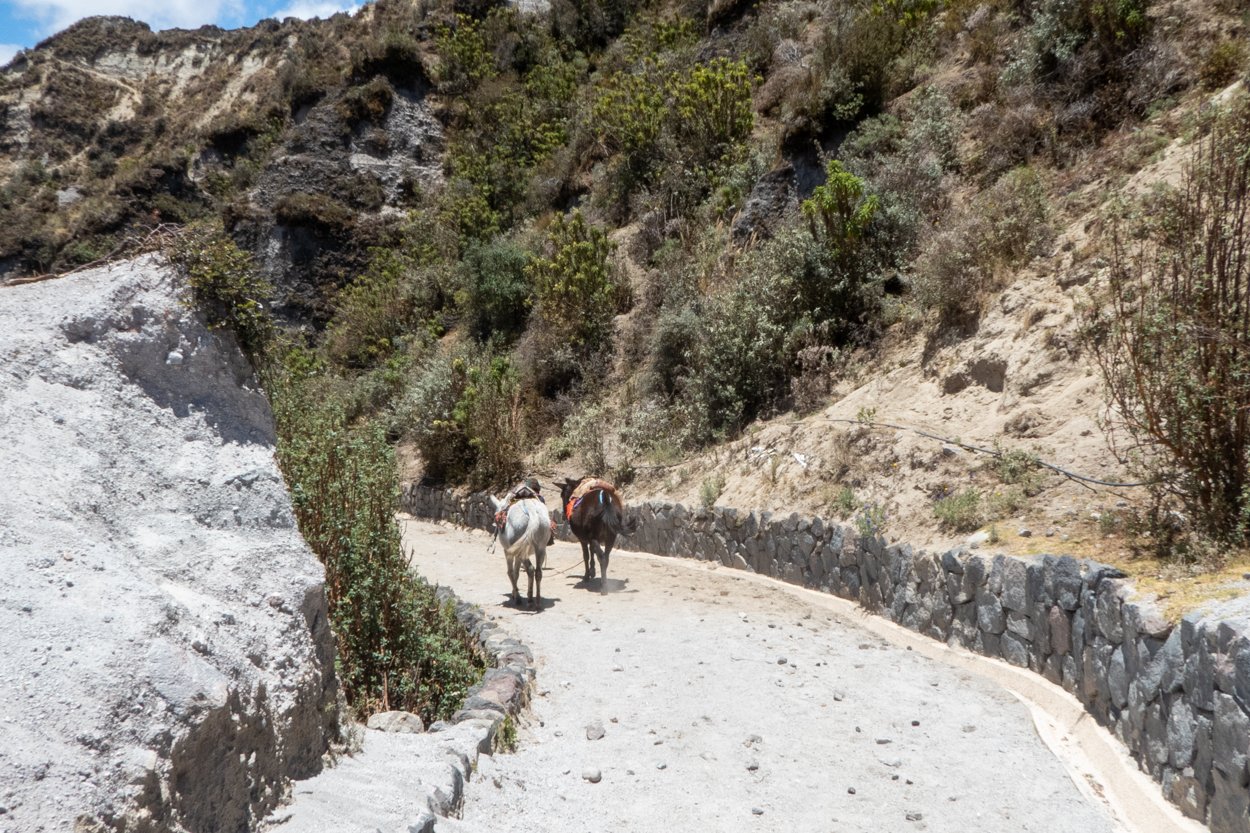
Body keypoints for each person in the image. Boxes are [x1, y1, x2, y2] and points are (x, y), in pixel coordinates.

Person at [498, 477, 556, 545]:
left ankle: (503, 530)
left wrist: (505, 509)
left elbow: (510, 502)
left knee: (507, 513)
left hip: (515, 501)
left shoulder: (519, 495)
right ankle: (549, 538)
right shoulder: (540, 499)